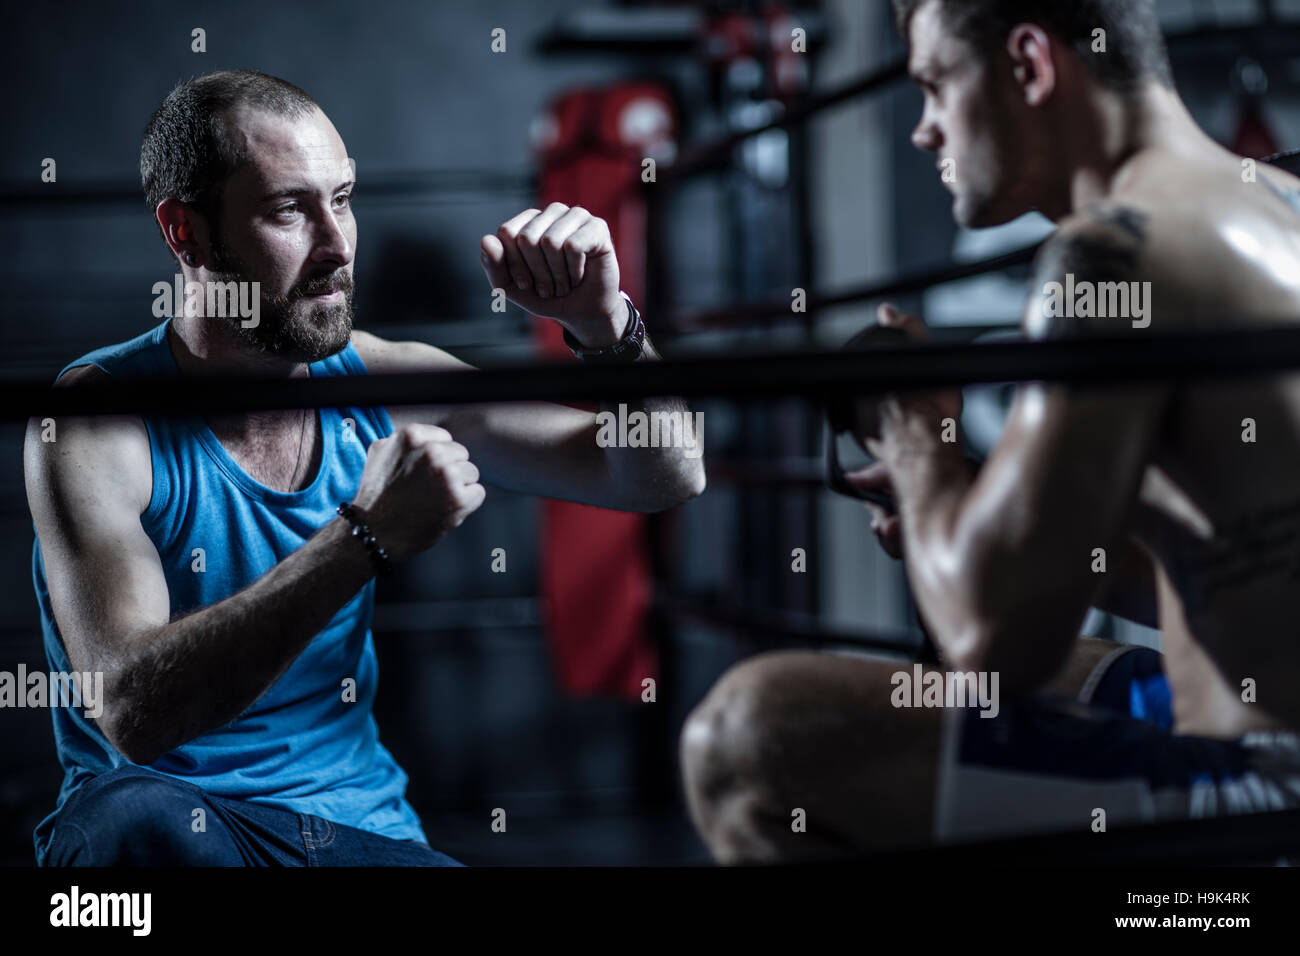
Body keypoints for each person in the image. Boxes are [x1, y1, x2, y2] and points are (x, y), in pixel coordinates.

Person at [24, 70, 705, 866]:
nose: (338, 245)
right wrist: (361, 540)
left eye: (342, 200)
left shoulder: (381, 381)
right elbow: (132, 714)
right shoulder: (100, 422)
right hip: (181, 834)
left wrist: (607, 328)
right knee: (124, 823)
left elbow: (660, 476)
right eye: (290, 209)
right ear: (186, 233)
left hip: (359, 834)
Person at [680, 0, 1300, 863]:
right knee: (1057, 675)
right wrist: (971, 506)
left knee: (751, 739)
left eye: (936, 85)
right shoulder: (1275, 201)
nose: (924, 130)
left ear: (1029, 65)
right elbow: (1229, 566)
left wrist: (914, 432)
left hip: (1271, 801)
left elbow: (990, 641)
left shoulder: (1114, 256)